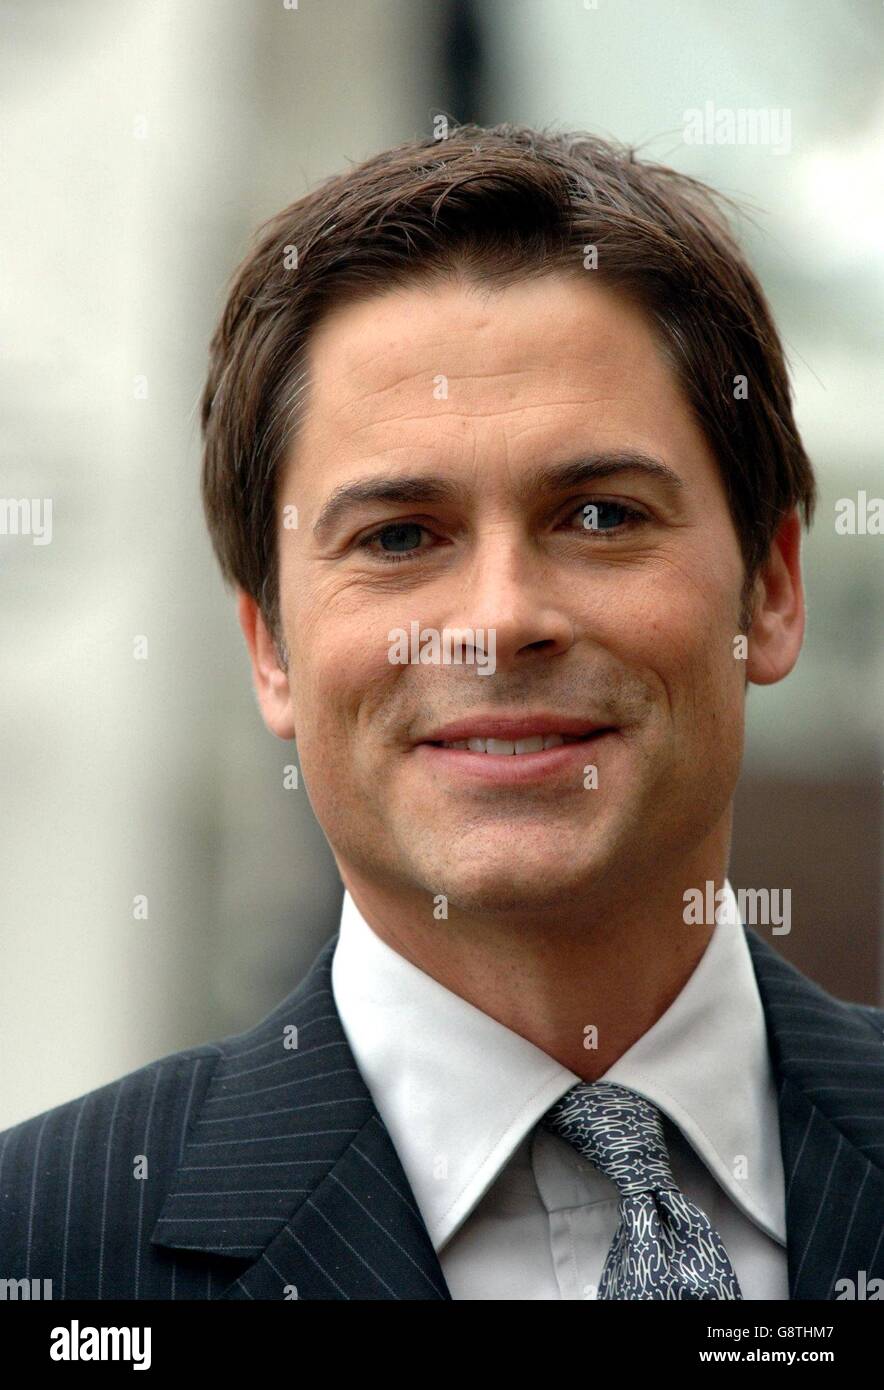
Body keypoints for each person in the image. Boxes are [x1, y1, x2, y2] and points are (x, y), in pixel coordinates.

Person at [1, 123, 882, 1302]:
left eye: (601, 515)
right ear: (268, 644)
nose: (498, 619)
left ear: (769, 588)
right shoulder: (44, 1254)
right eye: (399, 537)